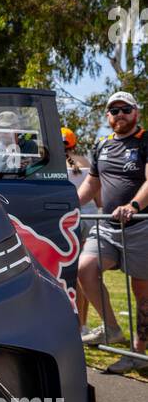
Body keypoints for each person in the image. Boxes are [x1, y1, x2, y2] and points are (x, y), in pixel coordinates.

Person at [77, 92, 148, 367]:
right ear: (108, 116)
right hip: (106, 226)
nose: (119, 114)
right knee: (85, 268)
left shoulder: (145, 141)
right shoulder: (101, 145)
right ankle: (112, 329)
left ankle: (138, 354)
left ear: (136, 113)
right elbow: (92, 185)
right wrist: (68, 203)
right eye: (113, 110)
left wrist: (134, 205)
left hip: (140, 226)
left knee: (141, 291)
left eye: (125, 109)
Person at [62, 126, 95, 332]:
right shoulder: (86, 162)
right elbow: (98, 197)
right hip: (91, 218)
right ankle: (82, 325)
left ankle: (71, 322)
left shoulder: (54, 165)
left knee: (69, 275)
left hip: (69, 220)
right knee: (83, 276)